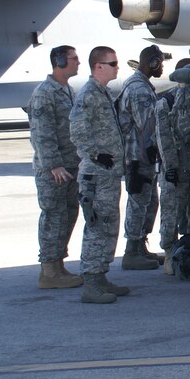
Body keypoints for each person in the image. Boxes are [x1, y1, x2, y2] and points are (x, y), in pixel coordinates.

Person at [69, 46, 131, 305]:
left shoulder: (102, 93)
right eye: (113, 63)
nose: (117, 67)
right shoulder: (89, 95)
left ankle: (101, 275)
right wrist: (94, 154)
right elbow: (77, 128)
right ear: (99, 66)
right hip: (97, 173)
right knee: (97, 226)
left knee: (109, 224)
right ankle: (91, 283)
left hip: (109, 173)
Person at [27, 45, 83, 290]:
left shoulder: (66, 90)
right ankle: (49, 271)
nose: (78, 62)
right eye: (73, 59)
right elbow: (41, 134)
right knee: (53, 216)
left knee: (68, 214)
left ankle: (58, 265)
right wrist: (54, 165)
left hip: (70, 166)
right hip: (54, 170)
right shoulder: (44, 93)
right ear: (59, 61)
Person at [155, 58, 190, 273]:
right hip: (175, 169)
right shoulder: (167, 102)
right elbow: (163, 138)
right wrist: (170, 167)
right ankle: (169, 251)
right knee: (171, 213)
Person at [117, 44, 164, 270]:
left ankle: (140, 246)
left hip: (141, 155)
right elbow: (148, 125)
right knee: (139, 201)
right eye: (160, 62)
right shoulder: (140, 90)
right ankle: (131, 251)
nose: (162, 67)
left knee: (149, 201)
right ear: (152, 63)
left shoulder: (140, 85)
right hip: (138, 157)